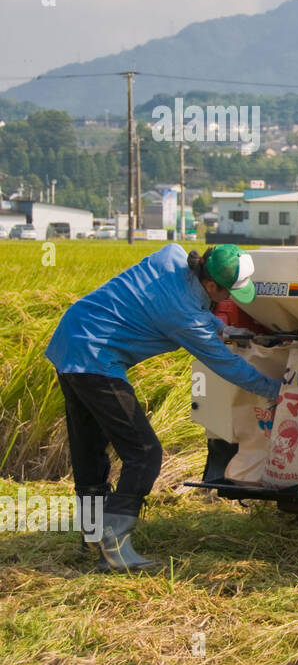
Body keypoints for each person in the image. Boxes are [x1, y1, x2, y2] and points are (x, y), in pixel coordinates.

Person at [45, 243, 283, 573]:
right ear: (212, 286)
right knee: (144, 453)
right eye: (228, 292)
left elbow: (167, 301)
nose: (230, 299)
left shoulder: (171, 255)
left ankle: (91, 535)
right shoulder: (184, 317)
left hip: (70, 337)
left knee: (88, 448)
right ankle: (113, 545)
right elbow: (228, 366)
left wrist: (222, 328)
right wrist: (278, 391)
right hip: (96, 358)